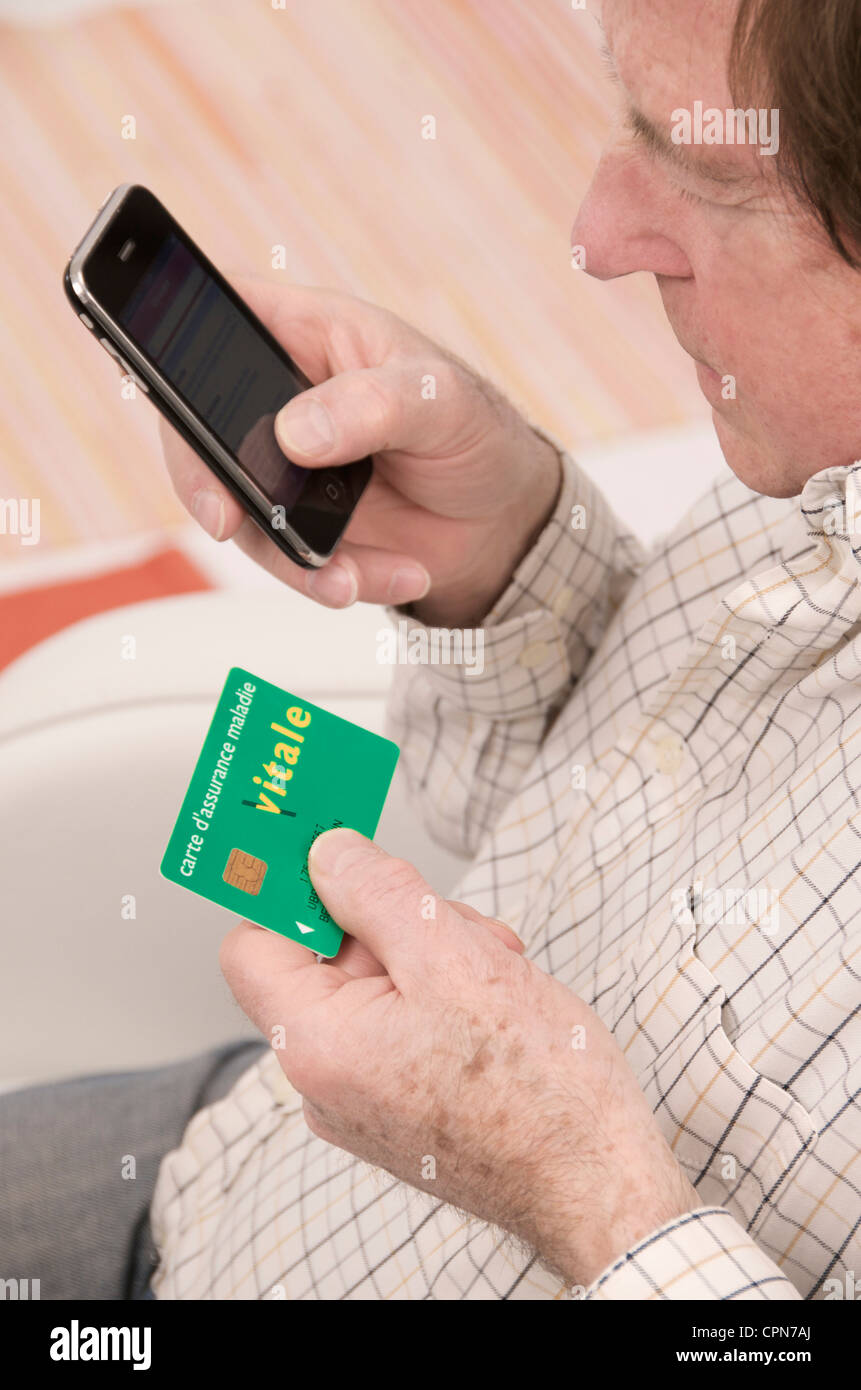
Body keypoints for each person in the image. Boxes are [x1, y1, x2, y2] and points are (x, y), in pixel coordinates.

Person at [4, 0, 860, 1300]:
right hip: (235, 1163)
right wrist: (505, 557)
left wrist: (580, 1189)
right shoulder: (806, 461)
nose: (596, 238)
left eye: (710, 179)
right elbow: (610, 798)